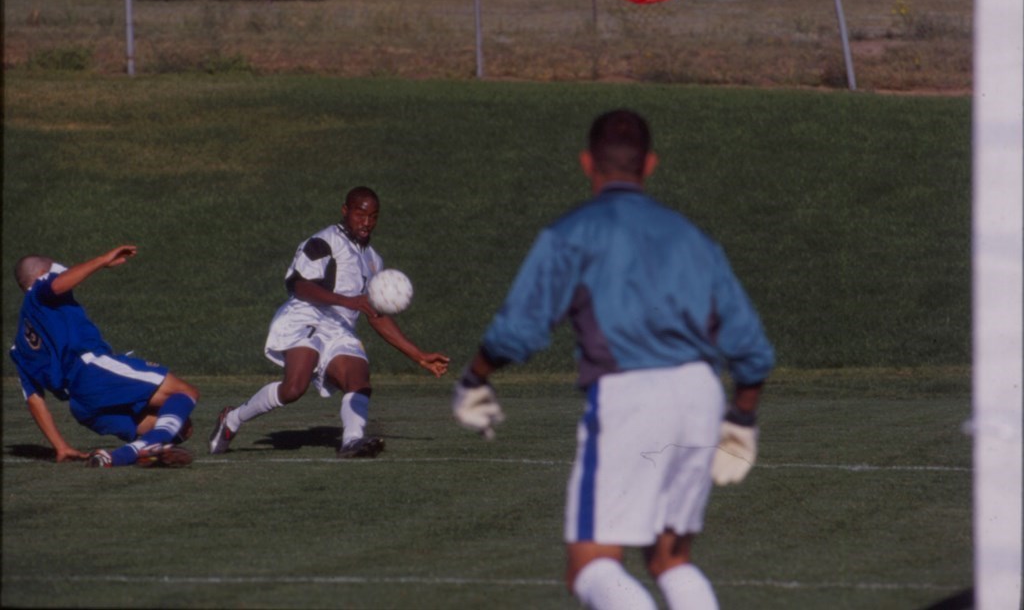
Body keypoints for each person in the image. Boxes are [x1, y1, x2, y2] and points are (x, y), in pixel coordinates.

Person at [452, 110, 774, 610]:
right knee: (671, 560)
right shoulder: (692, 238)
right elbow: (750, 346)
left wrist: (475, 378)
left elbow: (521, 328)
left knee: (592, 563)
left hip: (630, 397)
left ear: (586, 163)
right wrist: (743, 418)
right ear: (650, 164)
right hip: (700, 396)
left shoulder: (573, 232)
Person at [209, 186, 450, 459]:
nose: (367, 222)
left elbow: (375, 315)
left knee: (358, 379)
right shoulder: (323, 242)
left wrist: (419, 356)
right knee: (293, 388)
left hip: (339, 329)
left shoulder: (374, 260)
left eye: (373, 216)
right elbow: (298, 285)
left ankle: (351, 441)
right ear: (345, 211)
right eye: (360, 214)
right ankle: (232, 419)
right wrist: (347, 301)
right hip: (305, 316)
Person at [10, 245, 199, 468]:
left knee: (183, 428)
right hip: (94, 371)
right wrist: (102, 260)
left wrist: (60, 446)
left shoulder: (19, 347)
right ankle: (129, 453)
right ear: (42, 274)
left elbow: (34, 399)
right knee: (184, 392)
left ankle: (135, 451)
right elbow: (56, 285)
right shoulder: (39, 291)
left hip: (83, 406)